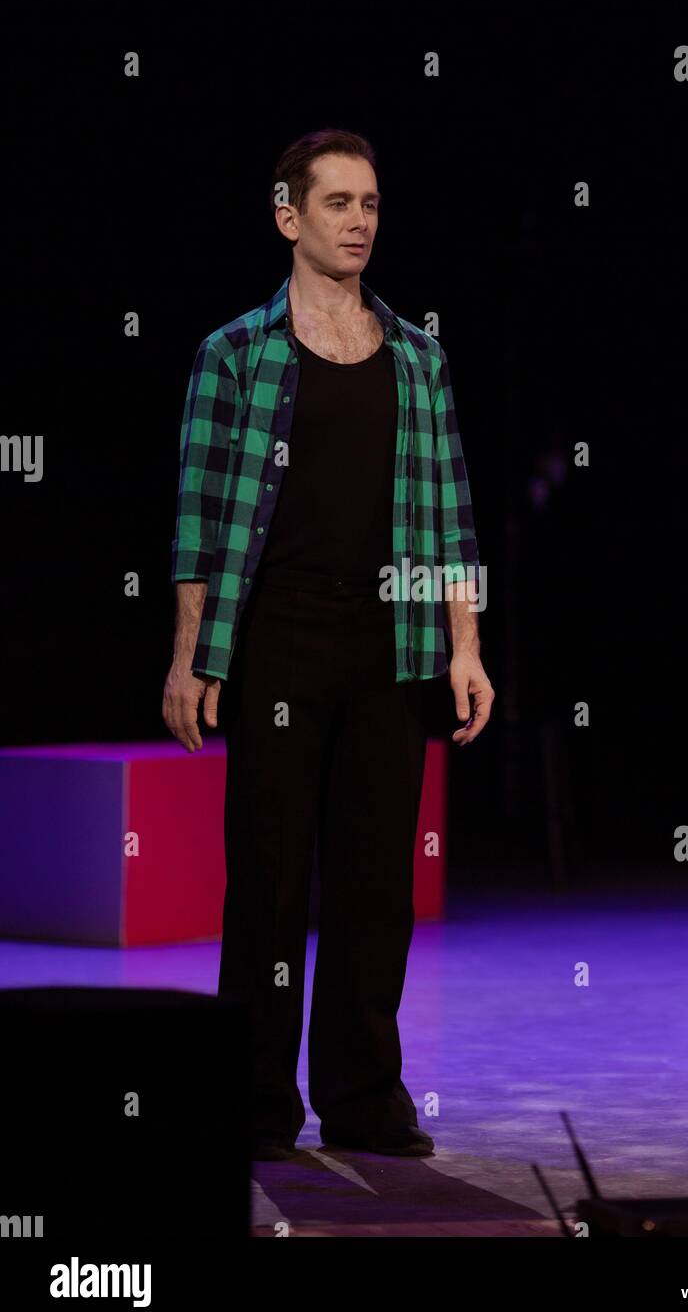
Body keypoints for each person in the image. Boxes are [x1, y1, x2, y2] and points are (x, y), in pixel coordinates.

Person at [162, 128, 494, 1159]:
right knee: (265, 875)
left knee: (372, 878)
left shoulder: (417, 357)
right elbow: (199, 520)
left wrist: (465, 647)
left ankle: (362, 1095)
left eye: (371, 204)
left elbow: (450, 518)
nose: (359, 221)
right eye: (339, 202)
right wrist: (190, 656)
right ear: (287, 213)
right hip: (279, 635)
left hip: (391, 637)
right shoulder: (234, 353)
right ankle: (256, 1098)